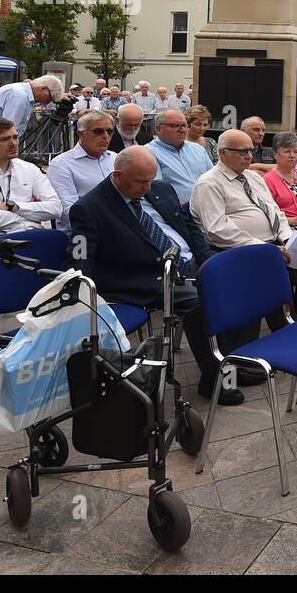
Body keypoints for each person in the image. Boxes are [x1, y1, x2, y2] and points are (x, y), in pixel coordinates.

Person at [67, 146, 260, 406]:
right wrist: (89, 296)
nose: (147, 188)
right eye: (140, 182)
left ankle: (235, 363)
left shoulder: (160, 189)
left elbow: (189, 227)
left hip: (188, 261)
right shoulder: (90, 207)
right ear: (118, 175)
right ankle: (216, 378)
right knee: (202, 302)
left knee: (250, 284)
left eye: (150, 179)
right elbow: (80, 255)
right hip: (148, 277)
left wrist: (206, 257)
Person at [191, 130, 297, 257]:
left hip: (275, 244)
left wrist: (288, 240)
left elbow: (274, 211)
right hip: (240, 252)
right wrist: (265, 249)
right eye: (243, 151)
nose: (250, 156)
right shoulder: (209, 183)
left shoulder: (254, 177)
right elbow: (218, 230)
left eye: (251, 150)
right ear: (223, 153)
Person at [48, 111, 117, 230]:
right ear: (80, 134)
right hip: (83, 233)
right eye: (98, 131)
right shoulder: (61, 164)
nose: (106, 136)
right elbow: (68, 212)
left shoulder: (117, 159)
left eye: (109, 131)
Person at [0, 74, 65, 150]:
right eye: (49, 98)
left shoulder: (22, 92)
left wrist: (62, 96)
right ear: (42, 88)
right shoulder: (19, 96)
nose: (46, 103)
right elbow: (8, 127)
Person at [148, 109, 213, 205]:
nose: (182, 130)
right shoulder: (148, 153)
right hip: (180, 212)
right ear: (159, 129)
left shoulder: (198, 149)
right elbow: (157, 193)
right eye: (175, 126)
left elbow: (213, 178)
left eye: (184, 125)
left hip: (211, 205)